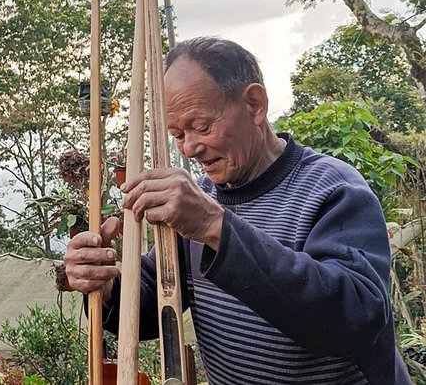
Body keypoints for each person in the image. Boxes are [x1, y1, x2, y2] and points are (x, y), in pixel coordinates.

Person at [64, 38, 410, 384]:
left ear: (255, 104)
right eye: (178, 134)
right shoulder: (201, 197)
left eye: (202, 126)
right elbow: (157, 298)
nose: (191, 147)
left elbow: (356, 318)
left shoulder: (333, 190)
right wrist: (106, 283)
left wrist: (216, 226)